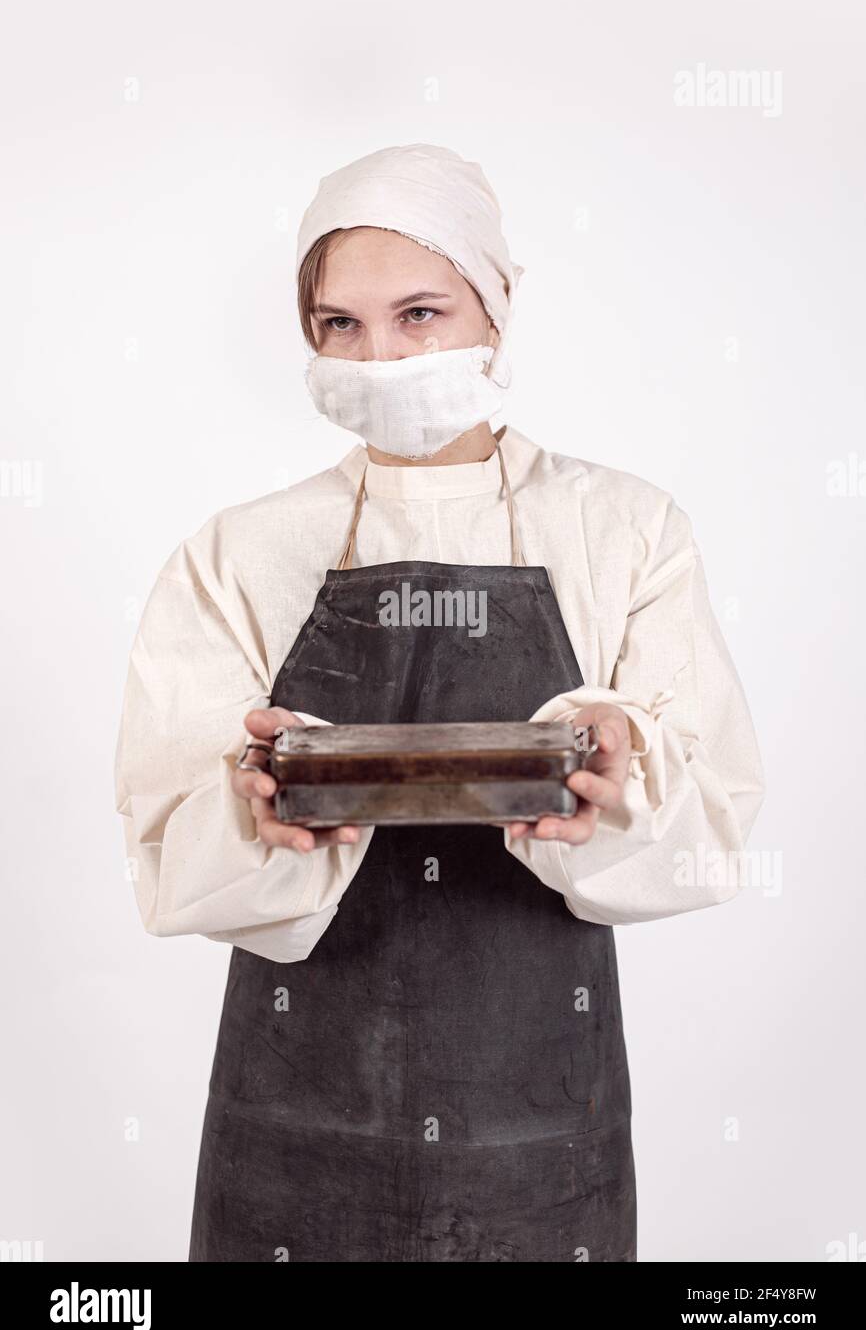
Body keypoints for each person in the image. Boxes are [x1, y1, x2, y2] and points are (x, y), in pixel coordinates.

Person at [114, 143, 765, 1263]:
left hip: (539, 1125)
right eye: (340, 326)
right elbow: (166, 845)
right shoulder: (238, 553)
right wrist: (256, 812)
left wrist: (618, 778)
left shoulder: (624, 530)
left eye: (419, 313)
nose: (382, 356)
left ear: (495, 307)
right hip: (293, 1120)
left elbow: (712, 817)